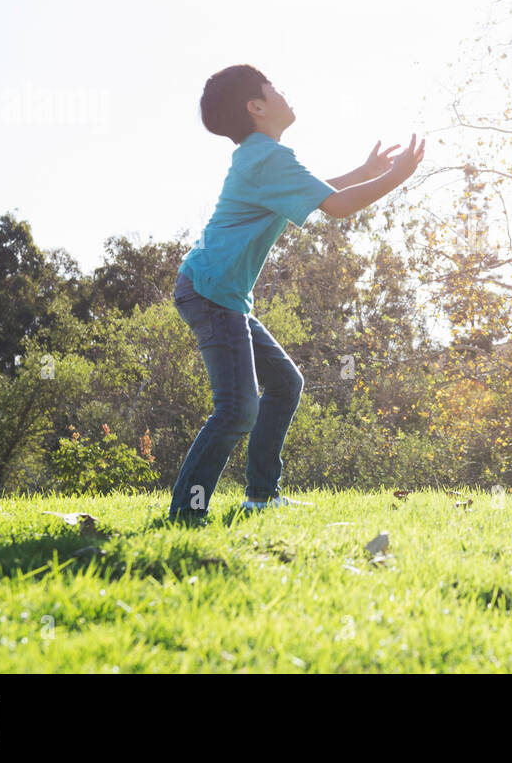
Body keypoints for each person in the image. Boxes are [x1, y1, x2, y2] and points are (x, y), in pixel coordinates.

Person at [168, 64, 424, 522]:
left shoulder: (263, 157)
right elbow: (337, 208)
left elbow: (317, 193)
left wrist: (364, 171)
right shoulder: (266, 158)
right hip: (210, 292)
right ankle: (188, 511)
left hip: (220, 293)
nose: (284, 92)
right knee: (237, 409)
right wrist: (395, 176)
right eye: (274, 86)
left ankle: (261, 495)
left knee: (284, 383)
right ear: (257, 106)